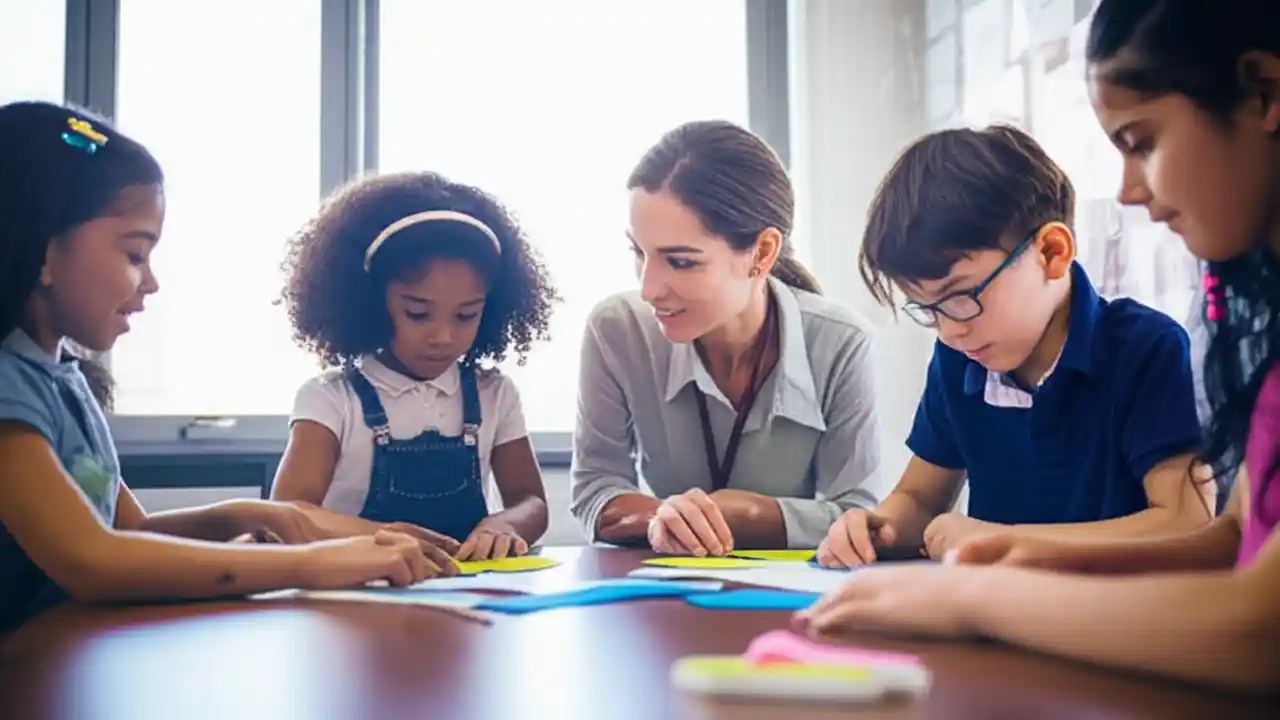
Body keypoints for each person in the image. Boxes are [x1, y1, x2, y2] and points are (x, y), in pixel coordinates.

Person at [798, 0, 1280, 693]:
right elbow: (1232, 538)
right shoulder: (1256, 336)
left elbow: (1242, 598)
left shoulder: (1145, 345)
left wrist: (985, 582)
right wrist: (888, 530)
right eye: (930, 310)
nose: (1129, 190)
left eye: (1142, 142)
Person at [0, 102, 445, 633]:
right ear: (45, 251)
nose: (151, 283)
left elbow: (130, 531)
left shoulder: (64, 381)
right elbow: (94, 560)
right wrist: (316, 563)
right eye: (135, 255)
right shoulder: (9, 391)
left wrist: (262, 515)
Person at [816, 123, 1212, 568]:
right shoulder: (960, 358)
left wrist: (1006, 542)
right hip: (996, 604)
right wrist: (875, 527)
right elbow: (919, 498)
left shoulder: (1146, 349)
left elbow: (1186, 521)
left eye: (960, 296)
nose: (949, 331)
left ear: (1051, 253)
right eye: (928, 310)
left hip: (1120, 606)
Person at [571, 120, 883, 553]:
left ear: (762, 253)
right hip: (665, 587)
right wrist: (664, 519)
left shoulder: (841, 343)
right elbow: (594, 488)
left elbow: (859, 514)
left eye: (681, 262)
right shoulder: (617, 330)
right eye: (638, 253)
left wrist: (745, 514)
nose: (648, 289)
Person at [272, 171, 556, 561]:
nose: (443, 336)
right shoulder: (330, 400)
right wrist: (381, 536)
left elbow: (531, 502)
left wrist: (506, 525)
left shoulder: (495, 394)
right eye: (418, 314)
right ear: (370, 301)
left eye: (466, 315)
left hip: (467, 591)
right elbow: (288, 512)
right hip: (358, 590)